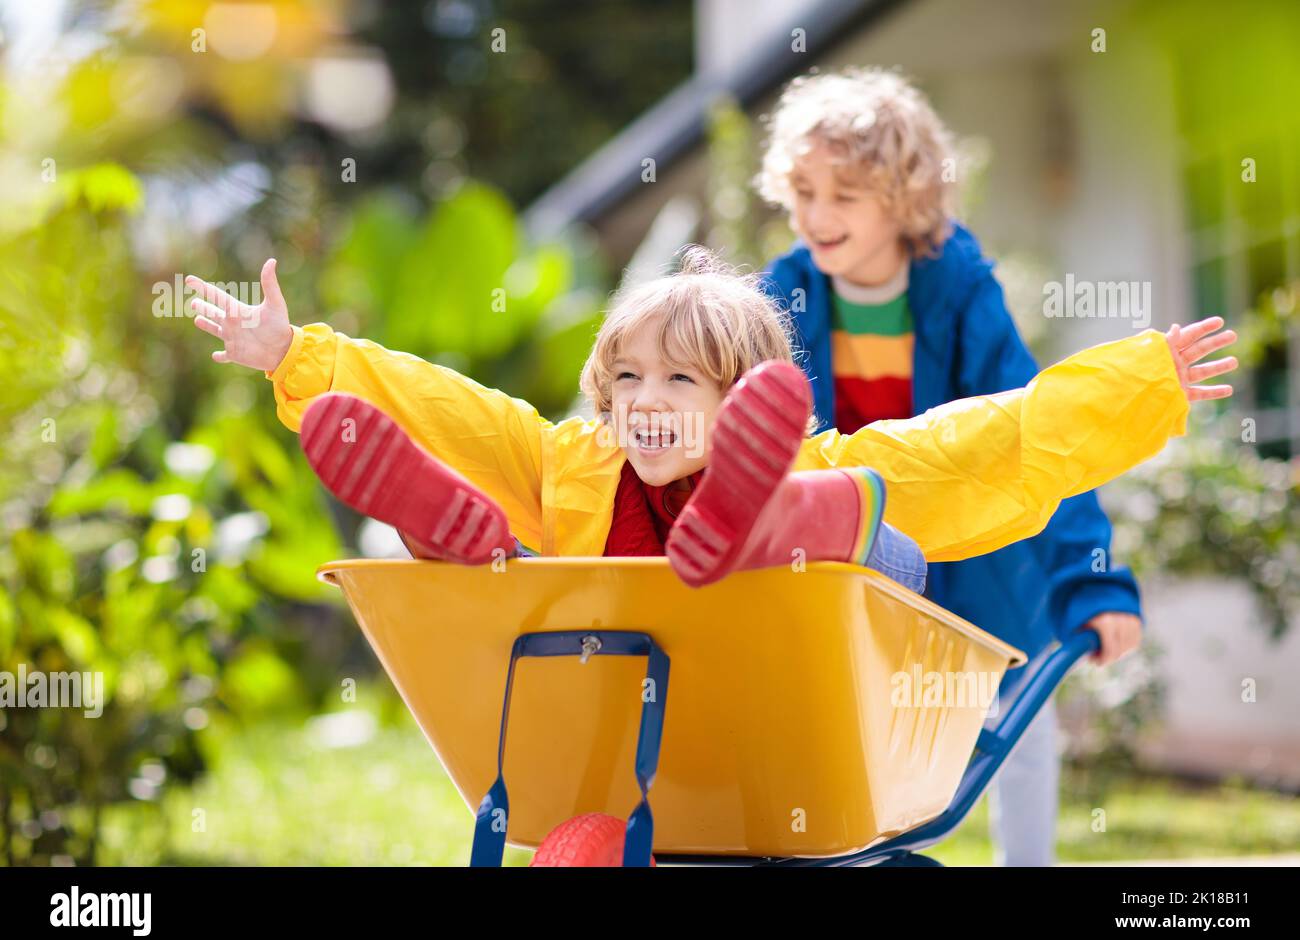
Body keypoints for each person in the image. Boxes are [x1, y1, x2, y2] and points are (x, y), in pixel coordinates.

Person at [183, 248, 1234, 605]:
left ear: (746, 404)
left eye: (681, 379)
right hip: (627, 712)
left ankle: (772, 520)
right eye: (626, 374)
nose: (643, 395)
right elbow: (447, 406)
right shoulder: (576, 459)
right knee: (503, 474)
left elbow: (990, 439)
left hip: (788, 678)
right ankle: (462, 539)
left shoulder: (819, 456)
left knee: (872, 509)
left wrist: (1143, 381)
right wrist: (296, 356)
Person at [756, 66, 1158, 863]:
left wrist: (1096, 581)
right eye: (803, 190)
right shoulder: (782, 300)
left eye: (844, 194)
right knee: (844, 731)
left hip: (974, 556)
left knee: (1018, 710)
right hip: (854, 557)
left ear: (903, 198)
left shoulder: (963, 295)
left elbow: (1037, 434)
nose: (816, 215)